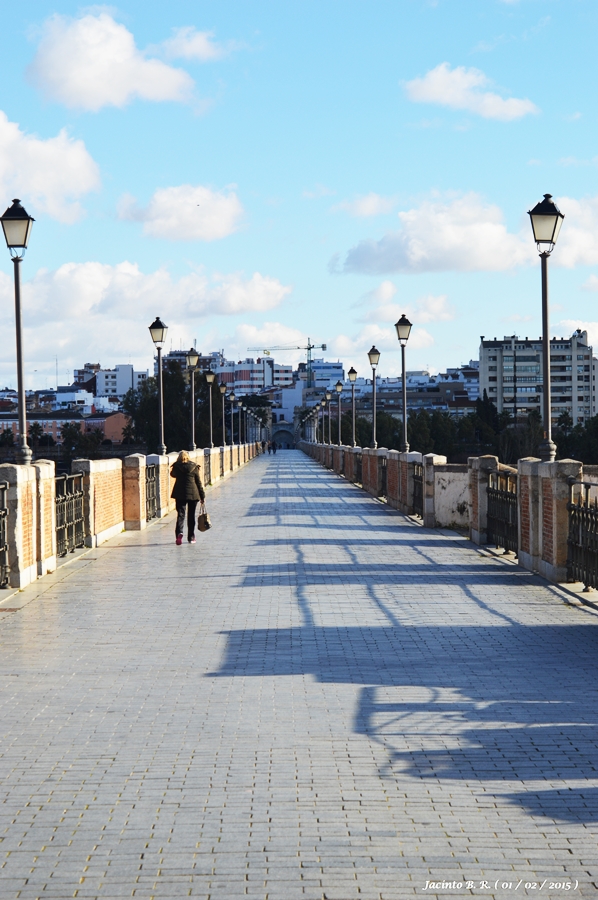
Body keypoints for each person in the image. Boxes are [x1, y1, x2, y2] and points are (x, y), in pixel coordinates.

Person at [170, 450, 205, 545]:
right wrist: (202, 496)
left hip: (180, 494)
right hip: (193, 494)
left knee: (181, 515)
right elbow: (198, 482)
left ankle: (179, 533)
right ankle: (191, 537)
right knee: (191, 516)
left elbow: (172, 474)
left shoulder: (177, 466)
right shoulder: (194, 467)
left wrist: (176, 464)